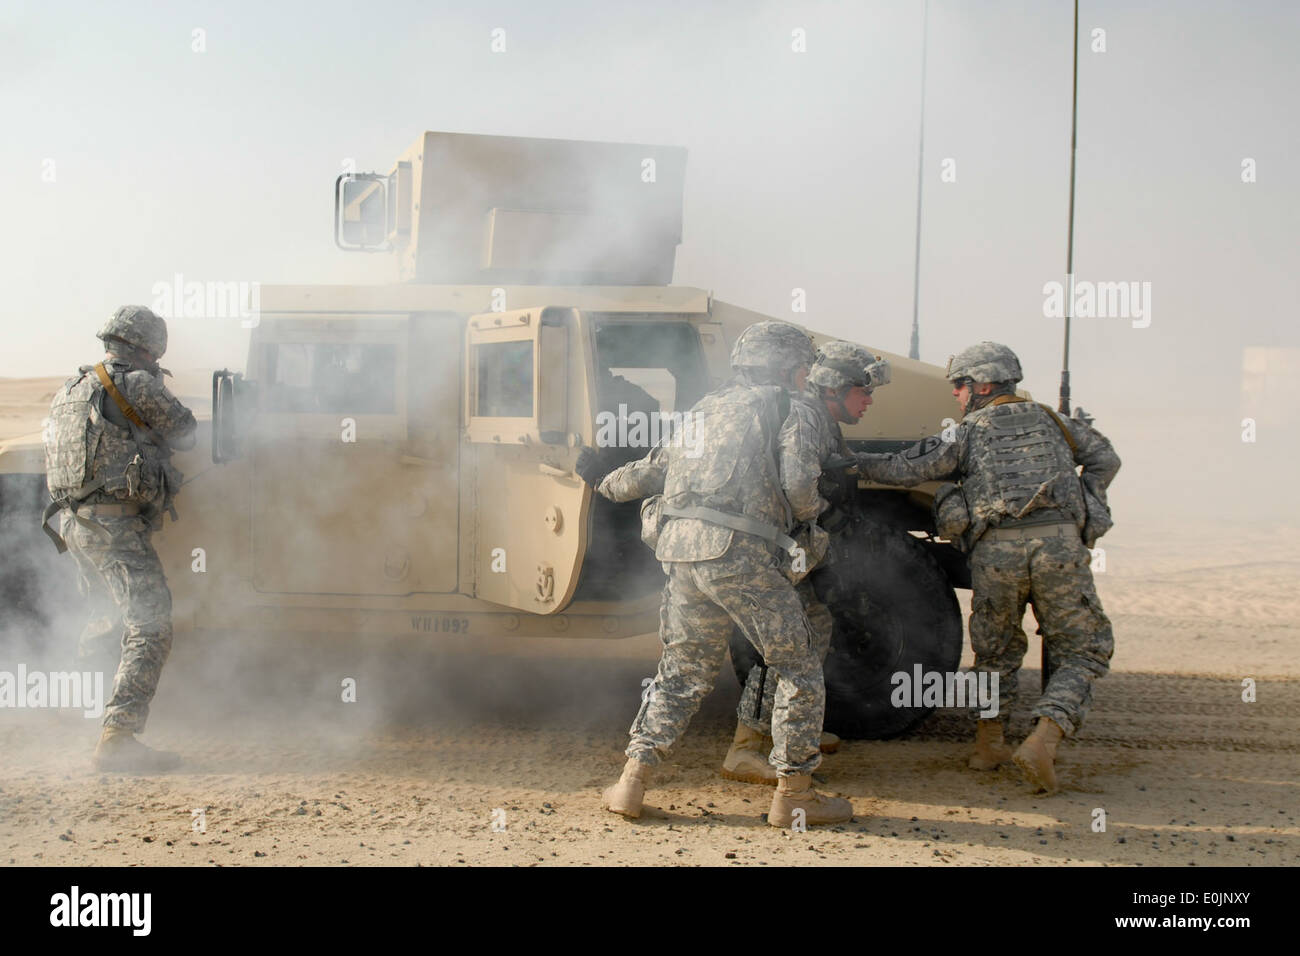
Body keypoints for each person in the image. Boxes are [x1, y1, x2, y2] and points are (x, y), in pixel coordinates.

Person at [576, 321, 852, 827]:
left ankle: (630, 783)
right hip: (742, 553)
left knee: (681, 672)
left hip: (680, 550)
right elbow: (797, 483)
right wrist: (819, 513)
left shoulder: (706, 408)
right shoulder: (796, 408)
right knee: (798, 666)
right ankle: (795, 793)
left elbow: (648, 472)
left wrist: (599, 478)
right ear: (794, 369)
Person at [852, 342, 1120, 793]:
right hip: (1058, 548)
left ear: (983, 384)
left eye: (959, 385)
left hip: (996, 553)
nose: (956, 394)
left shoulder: (968, 432)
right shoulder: (1057, 423)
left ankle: (988, 745)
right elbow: (1106, 459)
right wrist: (1087, 506)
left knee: (994, 654)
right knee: (1084, 650)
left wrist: (853, 461)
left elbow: (906, 469)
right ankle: (1044, 739)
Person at [721, 341, 891, 785]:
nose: (869, 400)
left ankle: (789, 735)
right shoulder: (806, 414)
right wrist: (825, 518)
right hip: (780, 549)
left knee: (812, 633)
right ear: (833, 388)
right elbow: (796, 485)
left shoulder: (819, 417)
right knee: (783, 647)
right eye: (862, 390)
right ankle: (746, 748)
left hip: (793, 550)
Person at [42, 305, 197, 772]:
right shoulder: (138, 384)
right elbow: (187, 433)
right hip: (112, 527)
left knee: (103, 619)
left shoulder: (71, 388)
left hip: (73, 524)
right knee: (150, 626)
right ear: (149, 347)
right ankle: (120, 735)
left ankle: (72, 714)